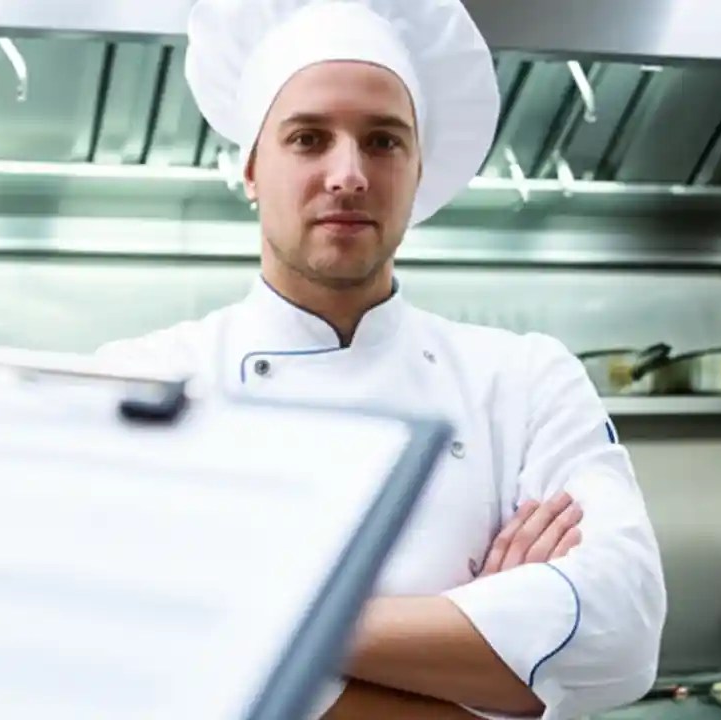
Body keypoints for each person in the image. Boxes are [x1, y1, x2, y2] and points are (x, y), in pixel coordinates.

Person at [94, 0, 668, 718]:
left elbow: (623, 630)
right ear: (250, 168)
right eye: (307, 138)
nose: (348, 174)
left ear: (419, 167)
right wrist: (484, 660)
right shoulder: (144, 383)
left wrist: (238, 618)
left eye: (383, 141)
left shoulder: (524, 380)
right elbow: (105, 648)